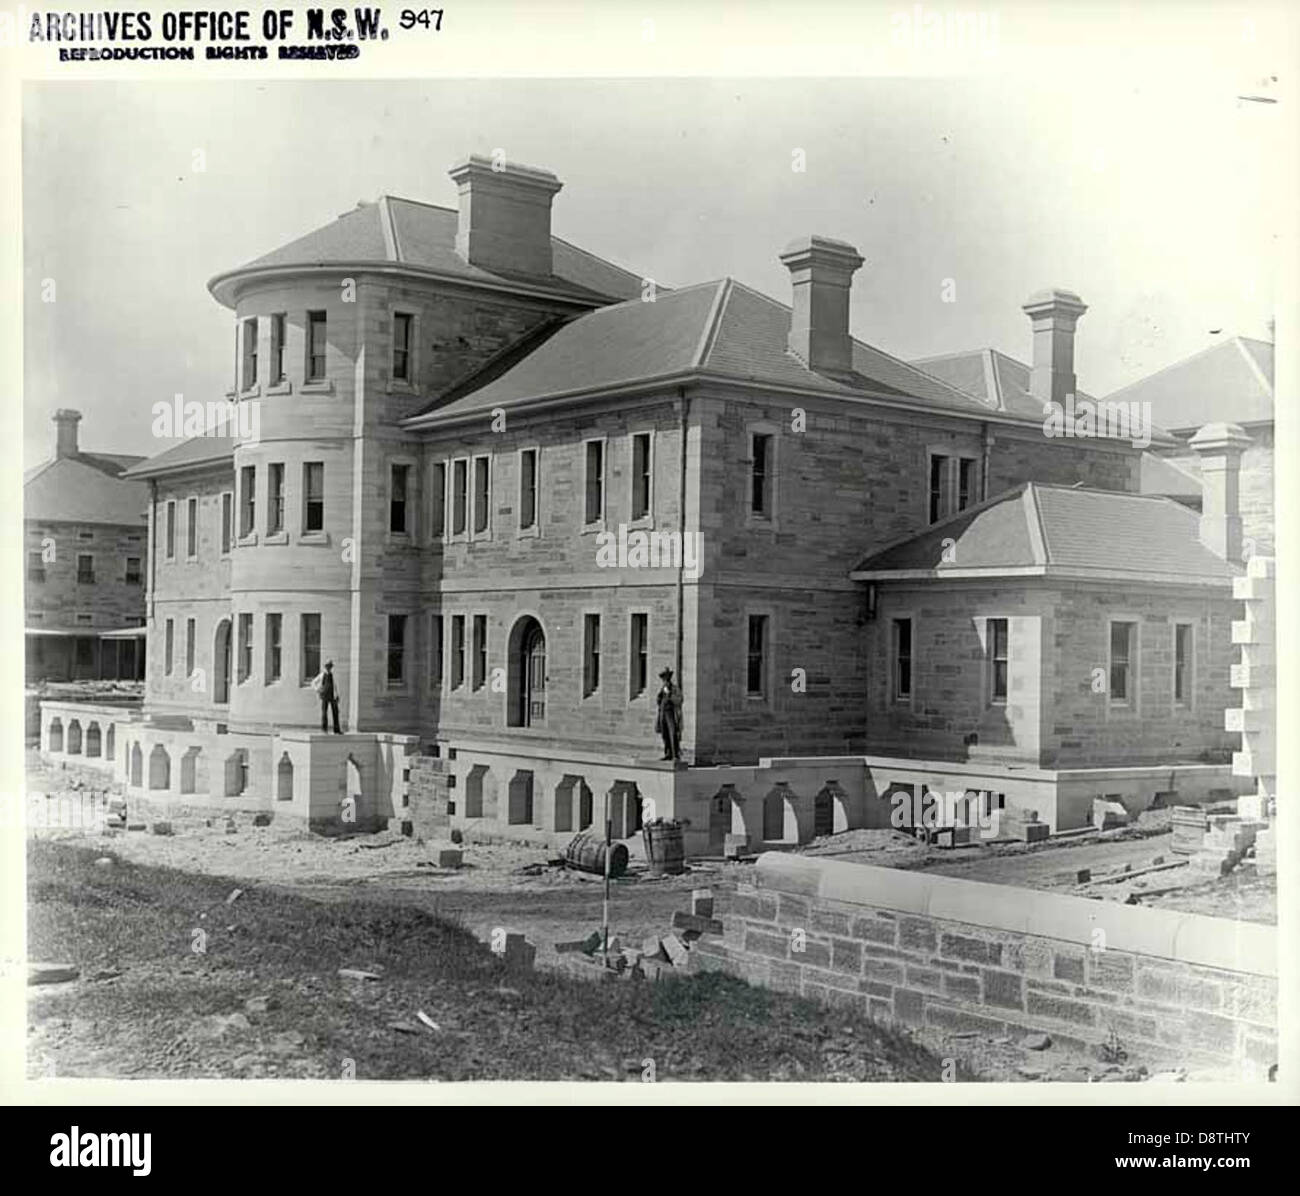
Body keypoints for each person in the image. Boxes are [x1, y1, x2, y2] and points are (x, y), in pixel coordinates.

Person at [655, 666, 682, 762]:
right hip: (663, 713)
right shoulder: (663, 689)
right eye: (663, 679)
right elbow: (659, 701)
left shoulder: (674, 689)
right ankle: (668, 753)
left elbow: (679, 700)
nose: (665, 681)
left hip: (671, 713)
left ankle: (675, 754)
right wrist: (660, 696)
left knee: (673, 733)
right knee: (664, 733)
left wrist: (670, 695)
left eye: (666, 678)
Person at [313, 660, 342, 734]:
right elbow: (314, 682)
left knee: (335, 712)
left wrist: (337, 695)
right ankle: (324, 729)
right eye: (328, 666)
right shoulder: (322, 675)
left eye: (330, 666)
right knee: (324, 712)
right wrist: (318, 690)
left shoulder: (333, 675)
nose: (329, 668)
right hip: (325, 695)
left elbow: (335, 686)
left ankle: (336, 730)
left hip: (332, 695)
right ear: (325, 667)